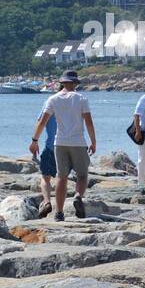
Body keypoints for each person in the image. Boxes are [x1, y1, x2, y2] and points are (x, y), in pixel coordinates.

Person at [30, 70, 96, 221]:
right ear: (75, 83)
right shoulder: (81, 98)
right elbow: (89, 122)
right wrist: (93, 141)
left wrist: (34, 140)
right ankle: (78, 196)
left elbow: (42, 122)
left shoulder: (53, 99)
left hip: (59, 142)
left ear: (62, 83)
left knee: (61, 177)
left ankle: (59, 213)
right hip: (78, 142)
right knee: (82, 175)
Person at [35, 83, 62, 218]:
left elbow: (41, 121)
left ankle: (47, 201)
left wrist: (34, 141)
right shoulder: (77, 101)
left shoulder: (50, 101)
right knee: (61, 178)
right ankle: (59, 210)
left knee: (45, 177)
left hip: (51, 145)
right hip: (69, 146)